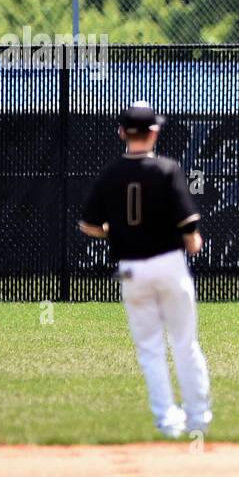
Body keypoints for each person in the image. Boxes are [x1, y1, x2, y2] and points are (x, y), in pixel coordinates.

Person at [77, 102, 211, 438]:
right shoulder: (166, 170)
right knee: (184, 343)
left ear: (122, 133)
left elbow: (88, 225)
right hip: (168, 264)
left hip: (132, 269)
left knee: (150, 348)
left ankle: (168, 422)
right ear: (154, 132)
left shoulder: (109, 175)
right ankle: (198, 419)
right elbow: (189, 229)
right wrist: (193, 241)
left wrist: (116, 231)